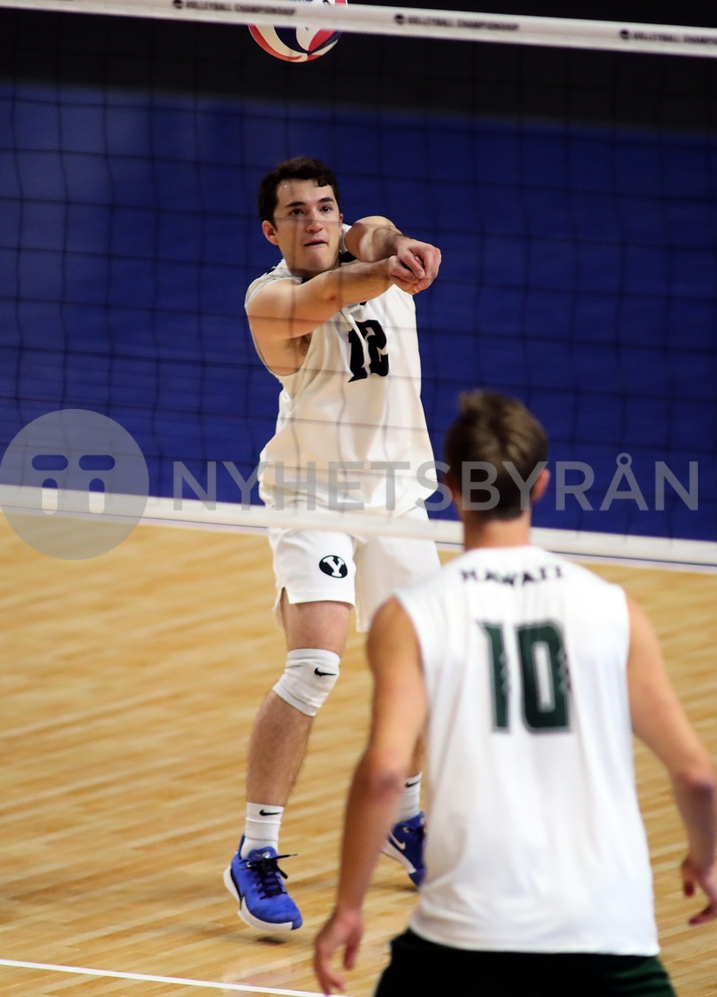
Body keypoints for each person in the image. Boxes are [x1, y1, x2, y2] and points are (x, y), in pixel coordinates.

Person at [314, 390, 717, 996]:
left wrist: (348, 908)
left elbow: (384, 772)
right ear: (540, 487)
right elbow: (697, 775)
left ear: (448, 487)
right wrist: (705, 860)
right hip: (607, 935)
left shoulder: (412, 616)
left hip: (466, 942)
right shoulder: (614, 610)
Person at [223, 156, 444, 933]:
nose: (313, 220)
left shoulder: (369, 245)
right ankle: (254, 849)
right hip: (311, 497)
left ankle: (404, 818)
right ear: (271, 230)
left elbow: (374, 231)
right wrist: (390, 262)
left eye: (324, 208)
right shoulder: (272, 298)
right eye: (295, 212)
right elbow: (334, 289)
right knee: (315, 665)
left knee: (420, 667)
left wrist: (397, 239)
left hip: (396, 499)